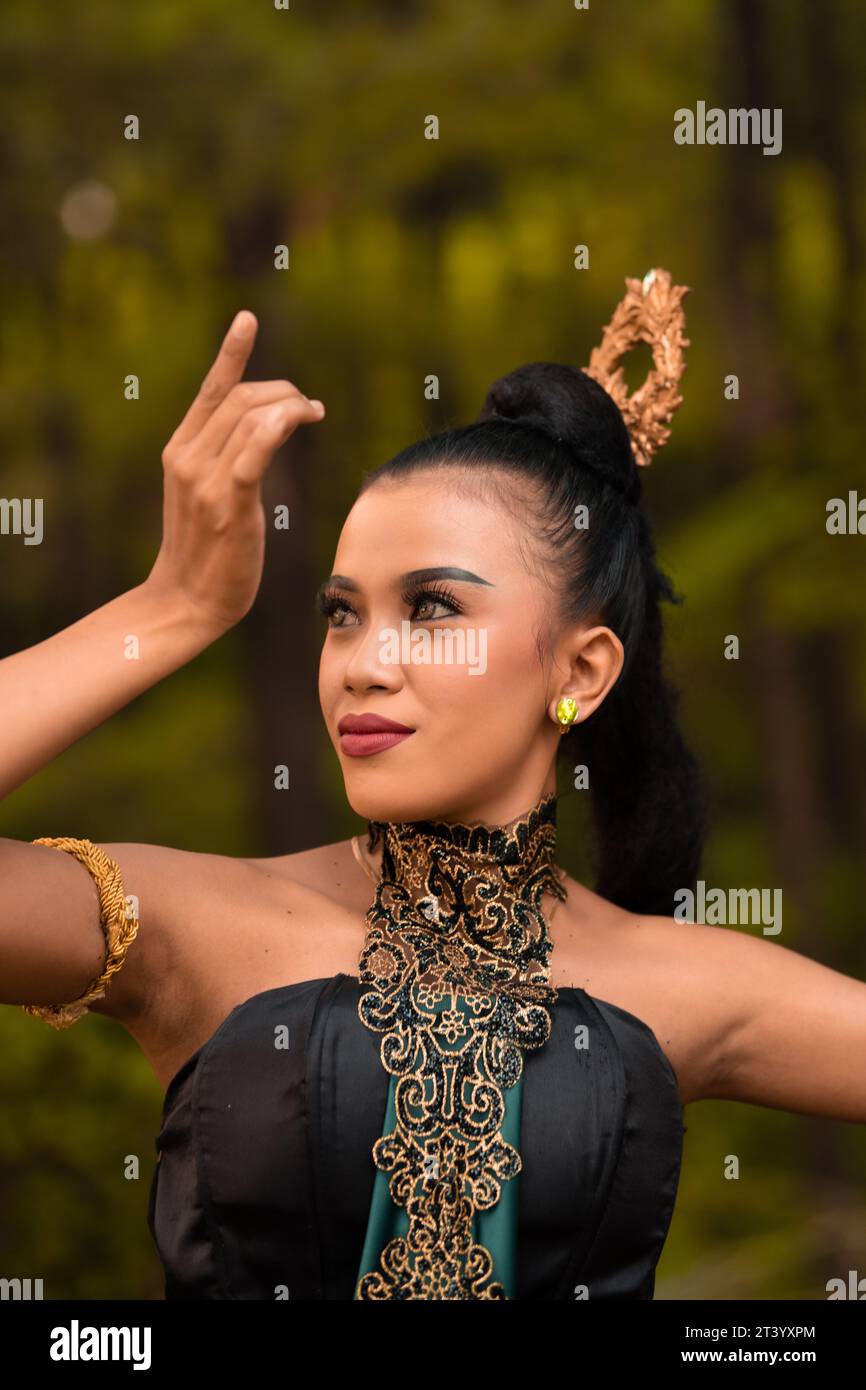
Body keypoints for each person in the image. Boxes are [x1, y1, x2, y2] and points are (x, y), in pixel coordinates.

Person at [2, 275, 864, 1302]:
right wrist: (175, 603)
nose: (363, 663)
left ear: (580, 672)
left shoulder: (692, 986)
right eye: (340, 613)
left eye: (432, 605)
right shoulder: (193, 924)